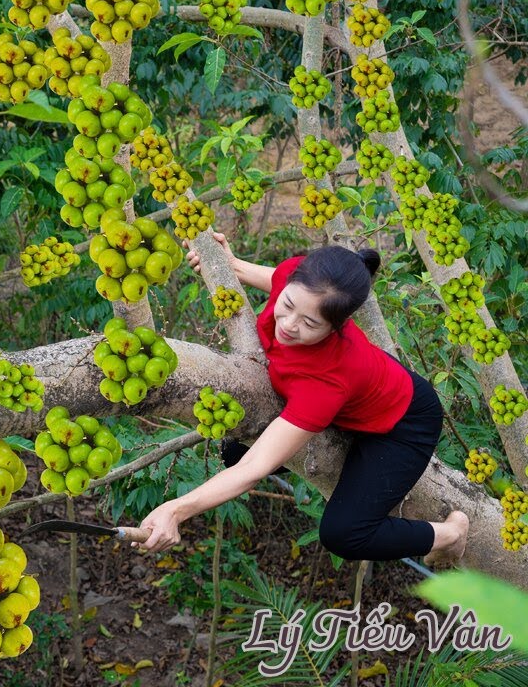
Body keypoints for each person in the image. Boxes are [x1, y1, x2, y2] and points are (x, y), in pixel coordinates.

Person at [135, 233, 469, 567]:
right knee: (234, 452)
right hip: (365, 389)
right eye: (288, 305)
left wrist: (175, 510)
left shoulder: (325, 383)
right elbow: (277, 277)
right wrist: (229, 264)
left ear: (337, 327)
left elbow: (255, 470)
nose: (289, 325)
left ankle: (450, 534)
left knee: (345, 533)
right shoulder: (304, 280)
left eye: (309, 323)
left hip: (402, 422)